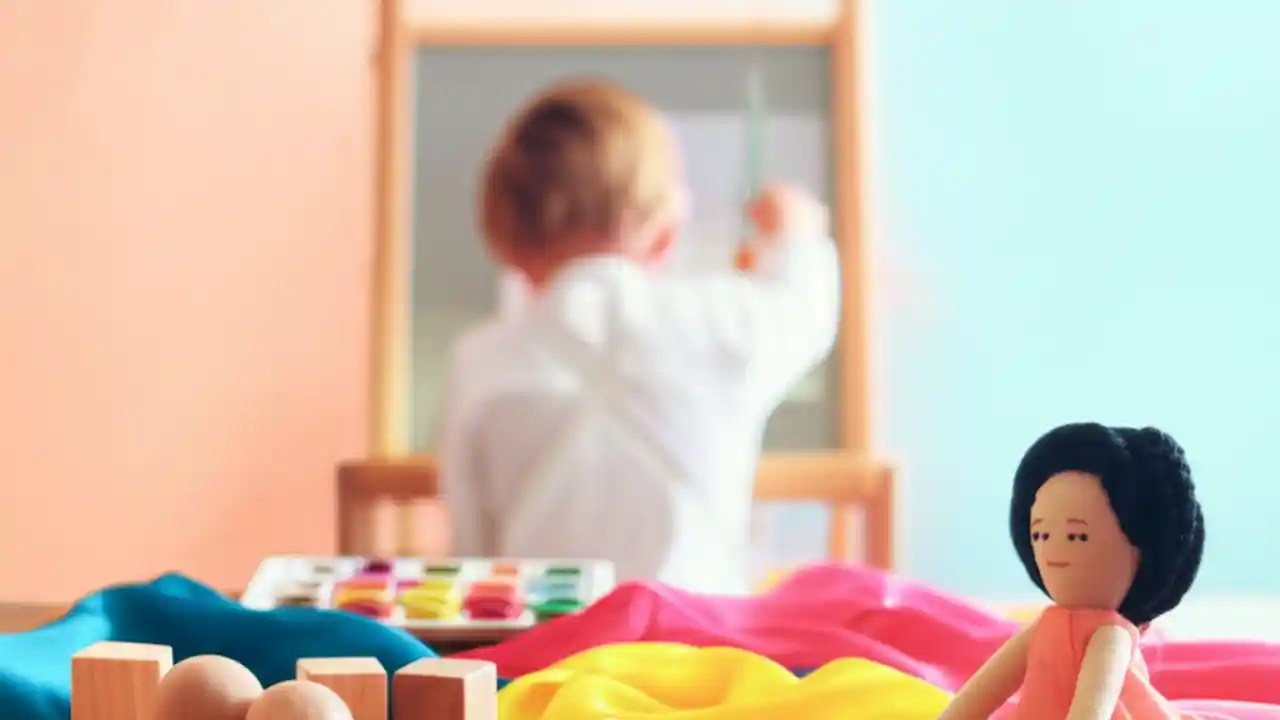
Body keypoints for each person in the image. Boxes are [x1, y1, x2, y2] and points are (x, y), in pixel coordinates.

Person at [436, 78, 840, 595]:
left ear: (509, 241)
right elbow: (803, 308)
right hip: (694, 638)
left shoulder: (482, 361)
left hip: (543, 644)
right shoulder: (719, 323)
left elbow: (471, 549)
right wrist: (797, 231)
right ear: (664, 230)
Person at [939, 422, 1206, 719]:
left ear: (1141, 548)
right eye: (1040, 534)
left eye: (1077, 536)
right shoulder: (1044, 626)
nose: (1053, 548)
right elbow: (985, 689)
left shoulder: (1111, 636)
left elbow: (1092, 707)